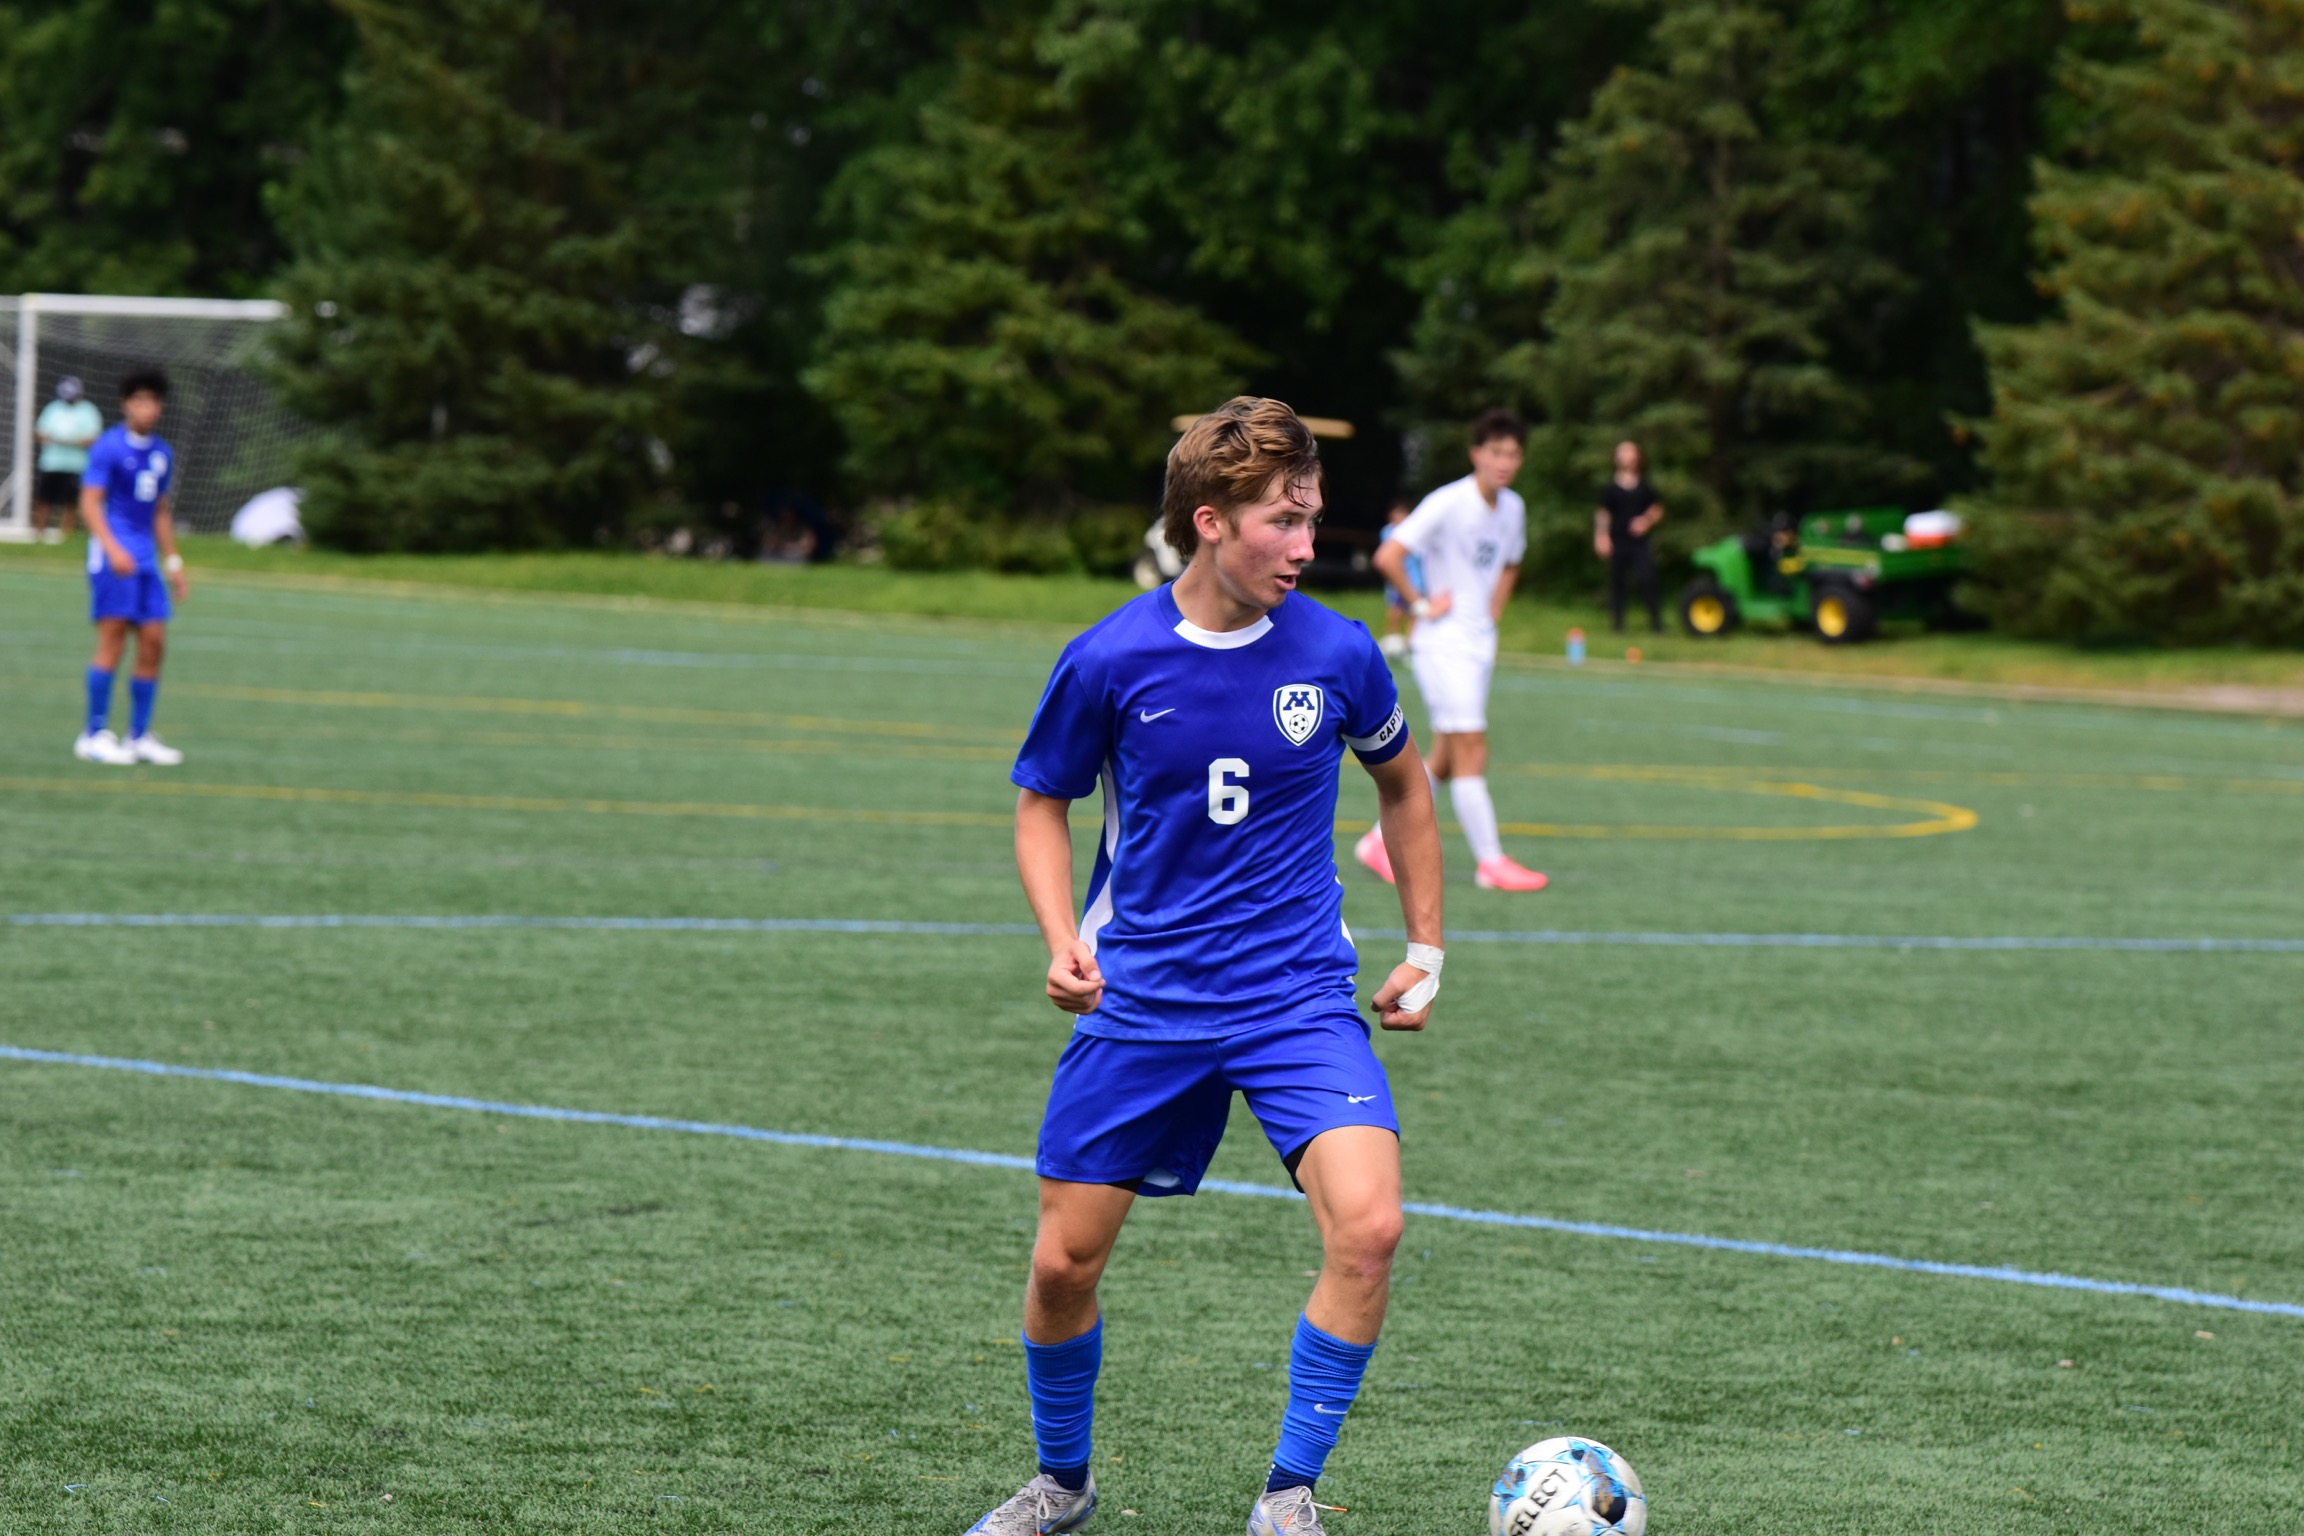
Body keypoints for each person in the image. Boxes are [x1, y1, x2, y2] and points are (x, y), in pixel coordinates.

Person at [983, 397, 1447, 1536]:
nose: (1306, 545)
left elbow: (1404, 783)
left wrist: (1425, 943)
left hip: (1295, 1000)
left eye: (1314, 519)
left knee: (1371, 1228)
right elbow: (1042, 803)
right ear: (1209, 521)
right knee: (1061, 1269)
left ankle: (1288, 1497)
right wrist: (1060, 941)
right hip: (1145, 1000)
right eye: (1285, 523)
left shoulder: (1338, 653)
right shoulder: (1109, 658)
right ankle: (1063, 1483)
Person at [1355, 409, 1548, 893]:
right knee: (1471, 747)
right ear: (1476, 454)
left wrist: (1491, 614)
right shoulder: (1448, 502)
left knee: (1445, 755)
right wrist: (1420, 604)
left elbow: (1510, 563)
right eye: (1496, 452)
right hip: (1442, 645)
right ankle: (1490, 862)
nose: (1504, 462)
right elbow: (1389, 555)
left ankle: (1378, 841)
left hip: (1477, 644)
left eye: (1513, 454)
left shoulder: (1513, 508)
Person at [73, 368, 187, 767]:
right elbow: (89, 502)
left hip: (146, 563)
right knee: (113, 641)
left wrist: (173, 561)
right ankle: (93, 734)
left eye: (153, 401)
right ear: (125, 404)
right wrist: (113, 548)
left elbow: (159, 512)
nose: (147, 408)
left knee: (154, 642)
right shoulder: (108, 447)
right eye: (139, 400)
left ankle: (139, 736)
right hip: (114, 560)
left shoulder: (162, 454)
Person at [1594, 441, 1665, 634]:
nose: (1625, 455)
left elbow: (1657, 509)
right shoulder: (1610, 489)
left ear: (1637, 456)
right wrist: (1601, 537)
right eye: (1621, 452)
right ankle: (1618, 625)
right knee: (1618, 582)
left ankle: (1657, 623)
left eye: (1629, 451)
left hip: (1639, 543)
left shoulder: (1645, 487)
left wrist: (1645, 521)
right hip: (1618, 541)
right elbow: (1603, 514)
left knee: (1647, 578)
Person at [34, 376, 102, 543]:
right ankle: (39, 535)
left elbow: (93, 438)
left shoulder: (88, 410)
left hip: (76, 465)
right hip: (52, 463)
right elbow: (41, 433)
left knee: (70, 502)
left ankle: (66, 537)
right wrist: (59, 440)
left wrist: (72, 441)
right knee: (44, 499)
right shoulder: (53, 408)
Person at [1375, 497, 1423, 659]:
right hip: (1395, 580)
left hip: (1414, 579)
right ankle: (1392, 640)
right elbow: (1385, 559)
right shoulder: (1387, 532)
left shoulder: (1415, 531)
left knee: (1415, 612)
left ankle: (1411, 645)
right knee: (1395, 610)